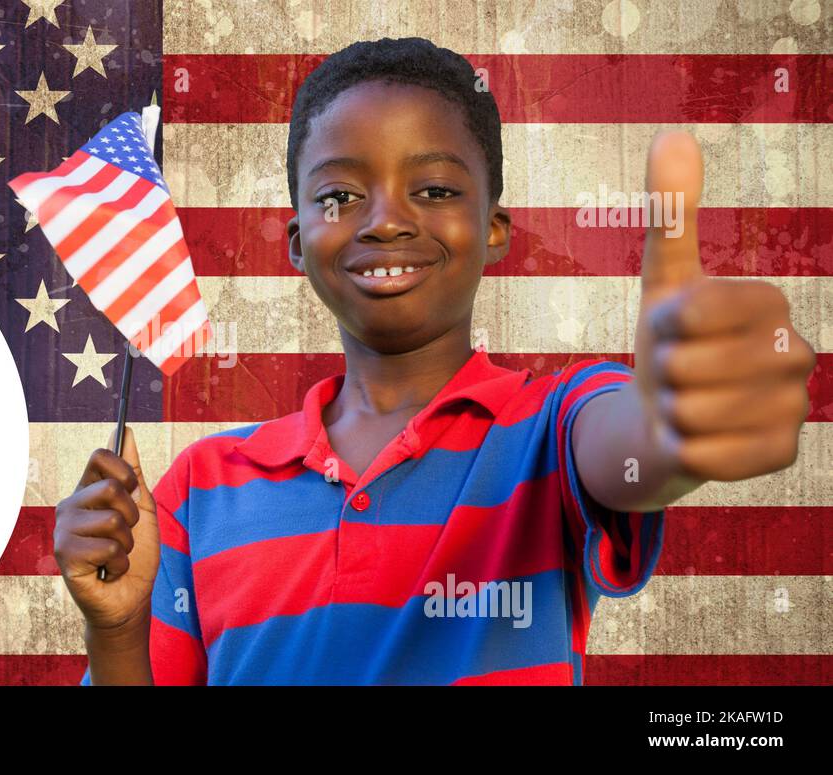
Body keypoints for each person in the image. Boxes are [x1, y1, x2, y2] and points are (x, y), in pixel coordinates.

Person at [54, 37, 815, 685]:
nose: (387, 221)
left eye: (436, 188)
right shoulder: (202, 488)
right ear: (296, 242)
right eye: (340, 196)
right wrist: (116, 631)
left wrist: (671, 424)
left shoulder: (549, 429)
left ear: (494, 228)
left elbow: (629, 443)